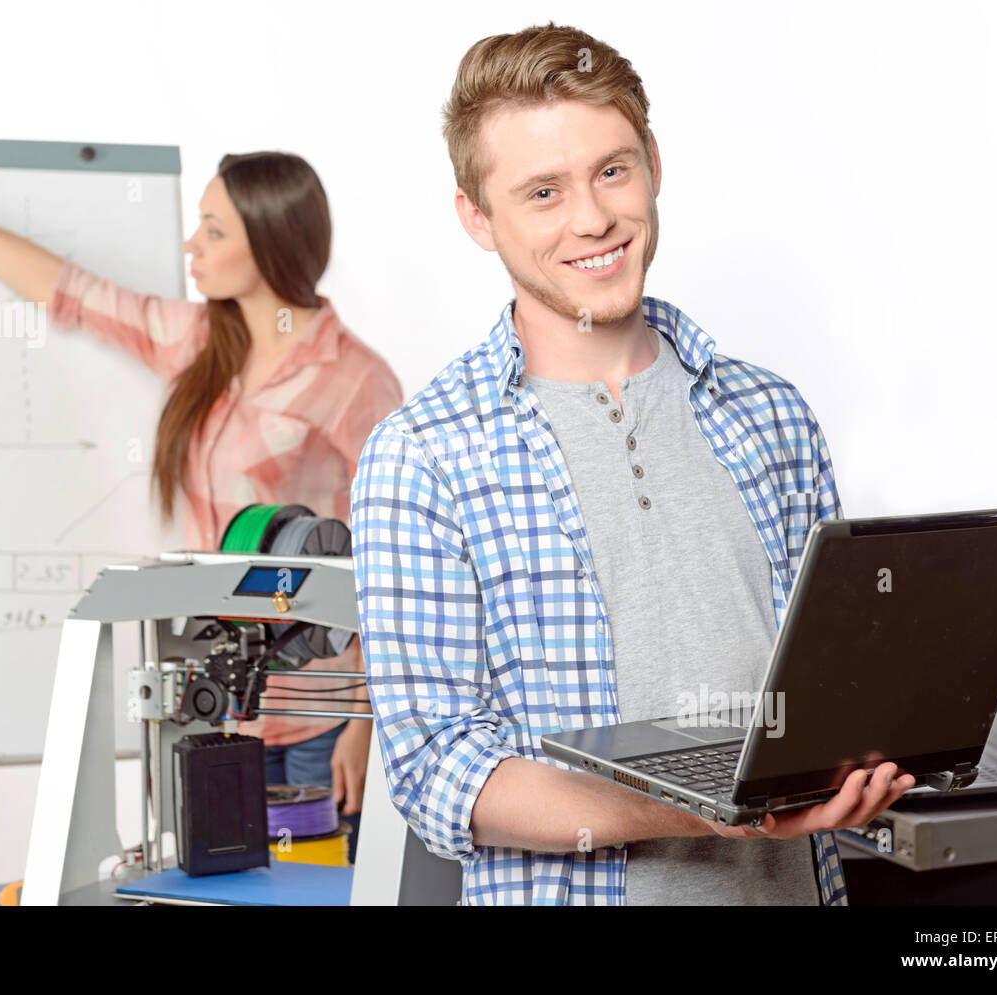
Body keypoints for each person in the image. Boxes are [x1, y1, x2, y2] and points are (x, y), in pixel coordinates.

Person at [349, 22, 914, 905]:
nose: (593, 218)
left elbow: (830, 684)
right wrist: (712, 813)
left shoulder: (771, 416)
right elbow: (439, 774)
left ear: (652, 160)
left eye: (612, 169)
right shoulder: (424, 457)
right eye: (542, 191)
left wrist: (885, 745)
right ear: (476, 216)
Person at [0, 151, 403, 864]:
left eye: (214, 231)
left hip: (322, 720)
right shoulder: (197, 341)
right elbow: (68, 290)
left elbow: (393, 567)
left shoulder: (357, 380)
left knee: (322, 889)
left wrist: (368, 725)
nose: (192, 245)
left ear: (270, 239)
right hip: (215, 705)